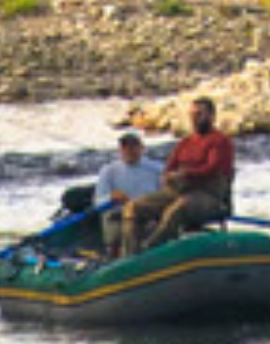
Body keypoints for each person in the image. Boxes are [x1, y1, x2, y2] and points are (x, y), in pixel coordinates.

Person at [121, 97, 235, 256]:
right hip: (178, 190)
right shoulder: (185, 142)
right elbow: (170, 166)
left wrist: (187, 174)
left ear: (211, 116)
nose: (195, 119)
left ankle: (151, 249)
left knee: (177, 209)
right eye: (193, 115)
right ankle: (129, 254)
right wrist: (168, 177)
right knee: (133, 207)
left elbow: (212, 168)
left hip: (208, 195)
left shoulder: (220, 141)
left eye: (200, 114)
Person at [93, 132, 163, 255]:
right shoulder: (108, 171)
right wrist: (111, 197)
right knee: (117, 234)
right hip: (118, 215)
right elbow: (98, 203)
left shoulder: (156, 169)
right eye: (125, 147)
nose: (129, 151)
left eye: (133, 146)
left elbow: (165, 196)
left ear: (142, 148)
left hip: (147, 215)